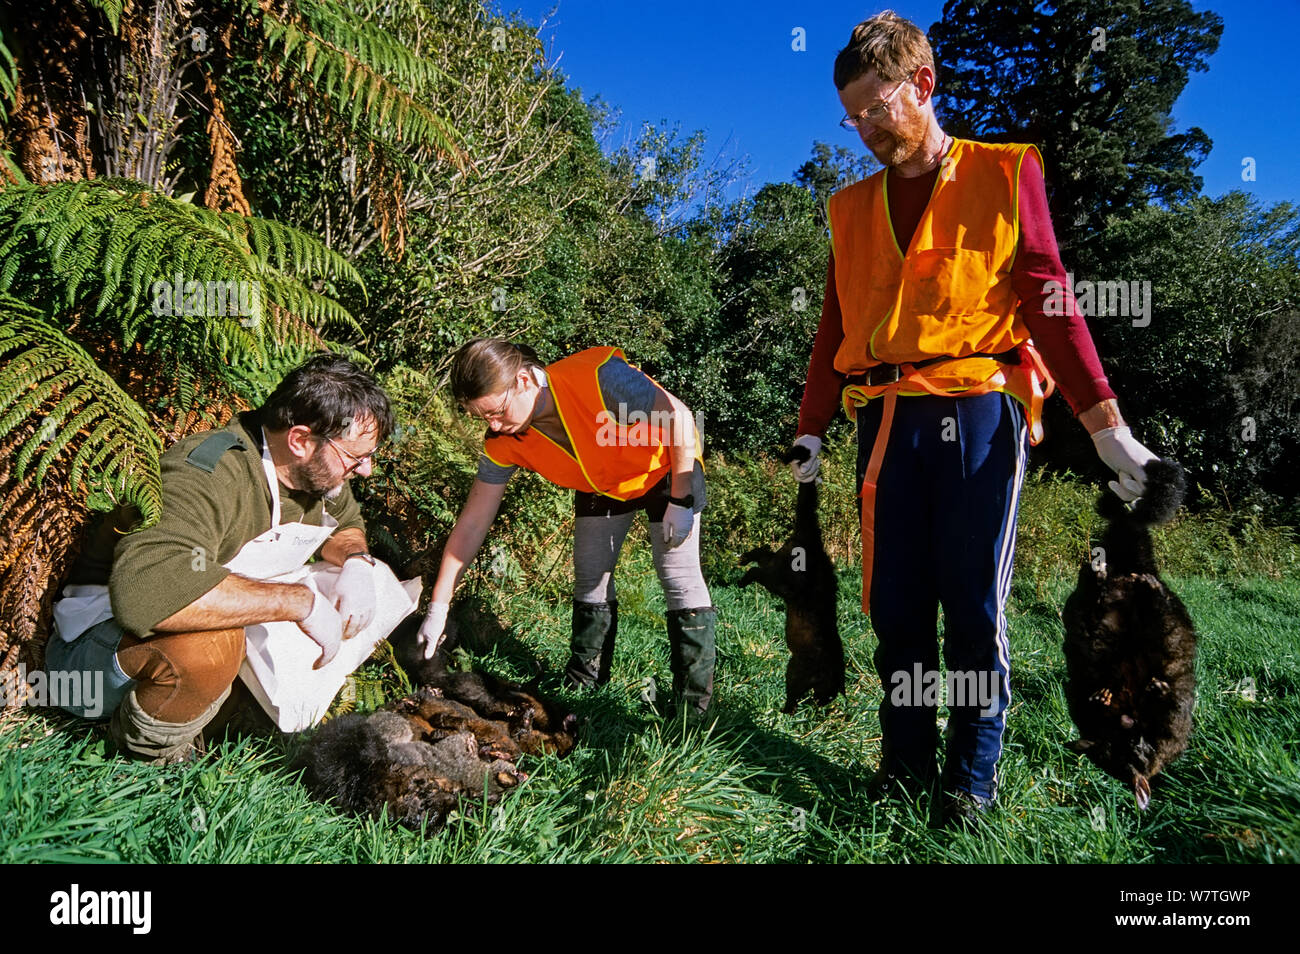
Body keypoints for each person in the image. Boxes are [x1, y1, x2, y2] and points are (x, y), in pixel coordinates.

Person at [791, 11, 1159, 826]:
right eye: (851, 117)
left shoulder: (1003, 172)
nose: (864, 130)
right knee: (894, 606)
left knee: (973, 605)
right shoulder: (849, 208)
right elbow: (834, 326)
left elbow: (1054, 304)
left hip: (979, 415)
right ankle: (903, 765)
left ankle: (970, 784)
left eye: (876, 109)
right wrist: (811, 426)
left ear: (922, 85)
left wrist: (1106, 425)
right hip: (885, 420)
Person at [47, 354, 398, 762]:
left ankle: (213, 719)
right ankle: (147, 755)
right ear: (300, 440)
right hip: (90, 653)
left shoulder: (316, 475)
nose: (366, 470)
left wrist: (356, 562)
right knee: (214, 644)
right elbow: (146, 595)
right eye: (355, 458)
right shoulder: (207, 473)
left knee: (373, 577)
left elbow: (345, 523)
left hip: (166, 633)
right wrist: (299, 603)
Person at [416, 339, 716, 715]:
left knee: (678, 576)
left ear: (524, 380)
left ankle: (694, 710)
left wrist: (681, 499)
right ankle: (584, 683)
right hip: (602, 483)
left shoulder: (597, 378)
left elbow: (681, 418)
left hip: (668, 469)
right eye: (482, 418)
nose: (492, 425)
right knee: (590, 574)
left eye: (496, 411)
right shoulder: (502, 442)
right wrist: (438, 606)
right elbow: (474, 522)